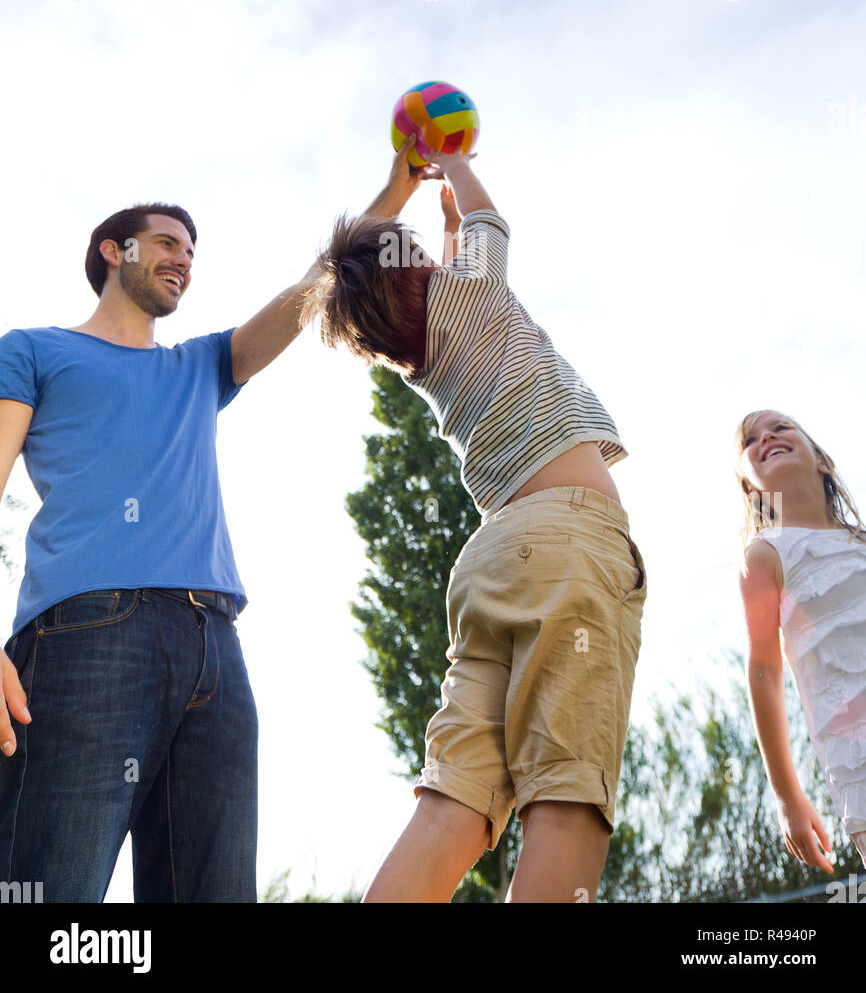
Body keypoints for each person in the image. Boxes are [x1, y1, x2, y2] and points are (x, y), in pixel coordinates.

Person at [0, 181, 418, 903]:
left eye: (191, 252)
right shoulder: (34, 351)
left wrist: (398, 187)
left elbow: (310, 288)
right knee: (48, 891)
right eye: (167, 242)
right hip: (85, 636)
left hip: (215, 649)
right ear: (112, 250)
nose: (183, 260)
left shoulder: (200, 365)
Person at [301, 135, 647, 902]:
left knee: (454, 802)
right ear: (419, 267)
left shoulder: (424, 361)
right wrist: (450, 166)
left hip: (495, 564)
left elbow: (453, 272)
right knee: (564, 792)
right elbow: (492, 220)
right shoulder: (474, 298)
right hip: (566, 543)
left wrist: (445, 228)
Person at [737, 408, 866, 873]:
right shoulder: (765, 556)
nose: (767, 437)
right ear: (753, 489)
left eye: (780, 427)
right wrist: (787, 796)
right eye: (751, 440)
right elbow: (765, 672)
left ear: (823, 461)